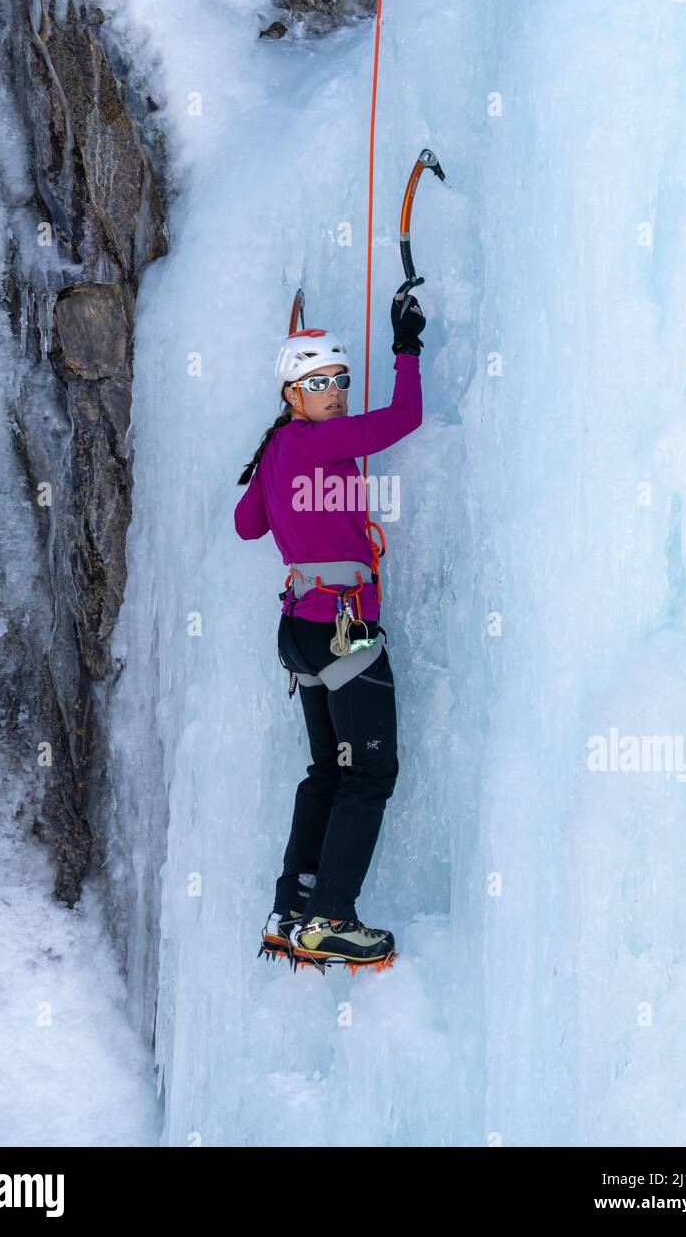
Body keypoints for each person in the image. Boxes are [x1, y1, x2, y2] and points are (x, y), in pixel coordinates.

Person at [234, 281, 426, 972]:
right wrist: (407, 346)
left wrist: (277, 460)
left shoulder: (284, 447)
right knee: (370, 772)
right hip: (343, 628)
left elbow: (247, 523)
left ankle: (293, 906)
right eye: (320, 382)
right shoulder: (318, 441)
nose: (337, 390)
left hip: (302, 633)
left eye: (341, 379)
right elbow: (406, 415)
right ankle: (330, 921)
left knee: (329, 768)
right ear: (294, 392)